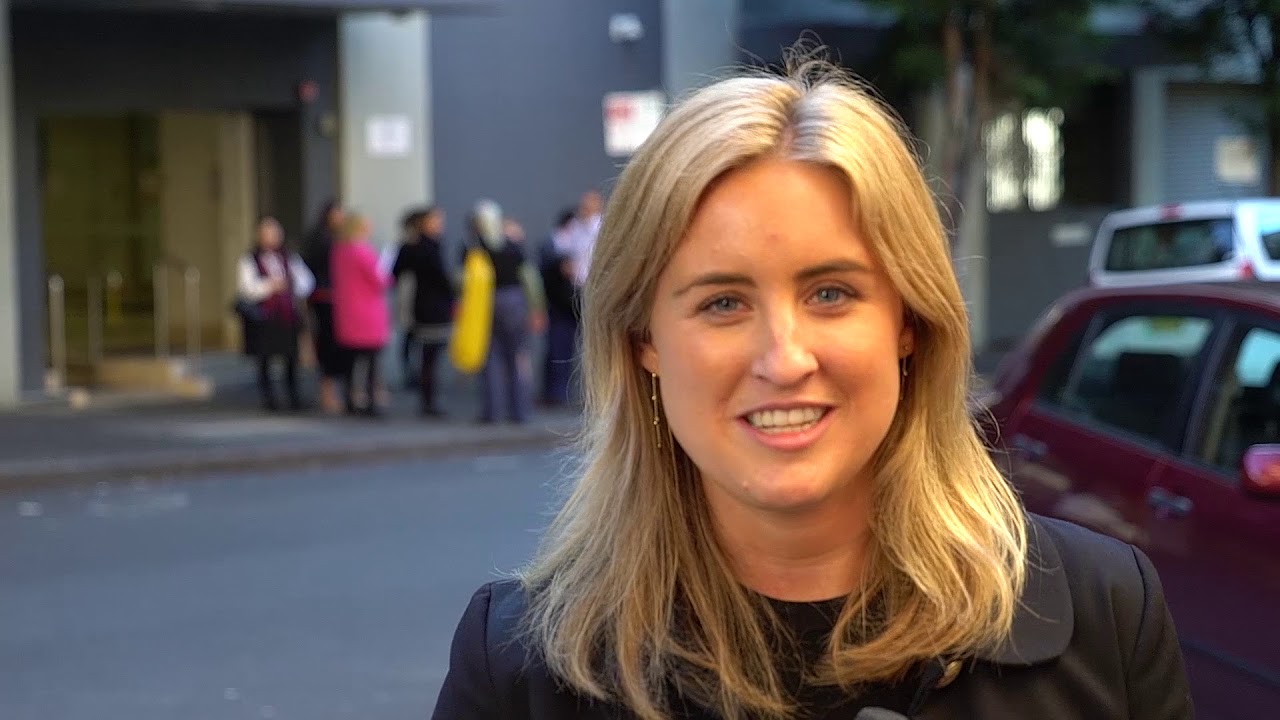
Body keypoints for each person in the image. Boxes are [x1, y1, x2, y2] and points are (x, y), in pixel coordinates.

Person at [432, 59, 1193, 719]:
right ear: (644, 345)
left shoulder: (1103, 614)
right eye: (723, 303)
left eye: (831, 293)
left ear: (909, 321)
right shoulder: (521, 668)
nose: (784, 358)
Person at [467, 201, 546, 425]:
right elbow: (530, 280)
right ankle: (520, 411)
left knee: (490, 359)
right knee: (517, 357)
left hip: (485, 304)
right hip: (513, 301)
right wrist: (537, 308)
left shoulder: (475, 248)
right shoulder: (512, 247)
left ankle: (491, 411)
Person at [235, 216, 315, 412]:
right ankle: (269, 398)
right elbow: (246, 288)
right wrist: (270, 285)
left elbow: (307, 281)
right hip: (264, 314)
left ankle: (293, 396)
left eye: (275, 234)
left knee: (291, 358)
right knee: (265, 359)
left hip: (287, 314)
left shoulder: (289, 257)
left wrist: (292, 285)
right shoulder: (249, 259)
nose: (272, 238)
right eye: (267, 234)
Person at [393, 205, 456, 417]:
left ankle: (425, 397)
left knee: (426, 355)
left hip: (420, 305)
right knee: (430, 357)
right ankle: (428, 401)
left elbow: (396, 272)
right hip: (432, 306)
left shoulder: (410, 246)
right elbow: (441, 277)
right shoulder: (428, 246)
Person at [331, 212, 392, 417]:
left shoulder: (339, 251)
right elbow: (381, 280)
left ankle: (349, 400)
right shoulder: (363, 252)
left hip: (346, 312)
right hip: (367, 313)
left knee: (350, 362)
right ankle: (371, 401)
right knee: (371, 362)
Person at [300, 200, 351, 414]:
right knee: (328, 344)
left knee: (342, 347)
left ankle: (343, 391)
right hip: (324, 297)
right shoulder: (322, 240)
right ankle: (327, 392)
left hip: (339, 298)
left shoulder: (340, 239)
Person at [540, 208, 580, 407]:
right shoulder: (556, 246)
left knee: (560, 351)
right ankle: (556, 392)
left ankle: (557, 391)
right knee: (559, 351)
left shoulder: (558, 246)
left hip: (563, 306)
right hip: (560, 307)